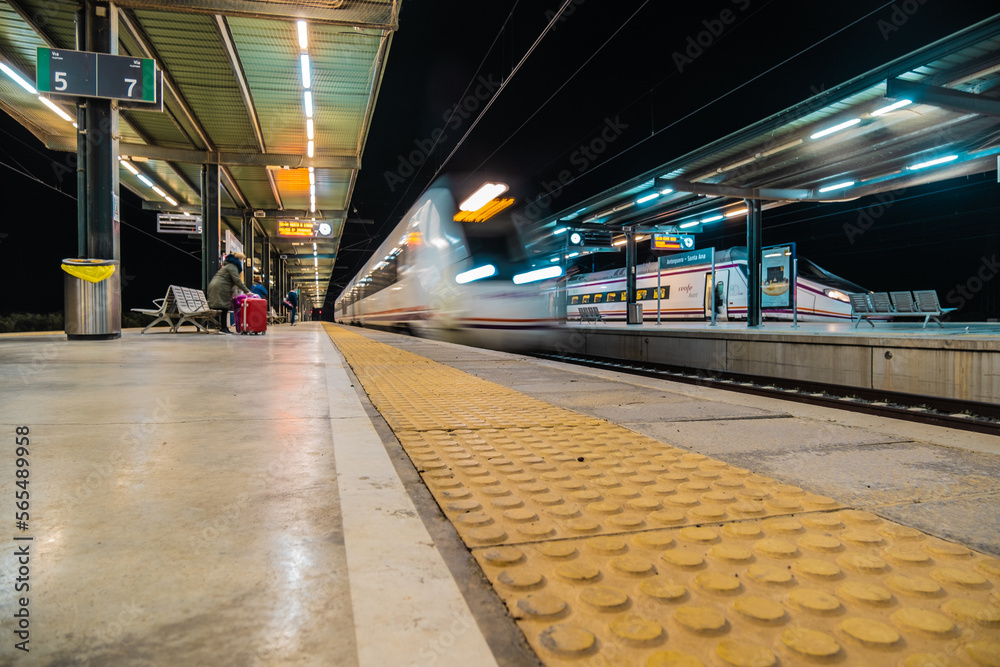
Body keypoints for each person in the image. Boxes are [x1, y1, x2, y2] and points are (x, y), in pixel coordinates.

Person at [207, 252, 250, 334]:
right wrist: (247, 291)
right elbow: (237, 280)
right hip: (220, 287)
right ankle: (223, 328)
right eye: (241, 259)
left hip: (217, 286)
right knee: (224, 307)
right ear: (238, 259)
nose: (242, 261)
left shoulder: (228, 265)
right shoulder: (232, 266)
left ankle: (223, 327)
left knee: (224, 306)